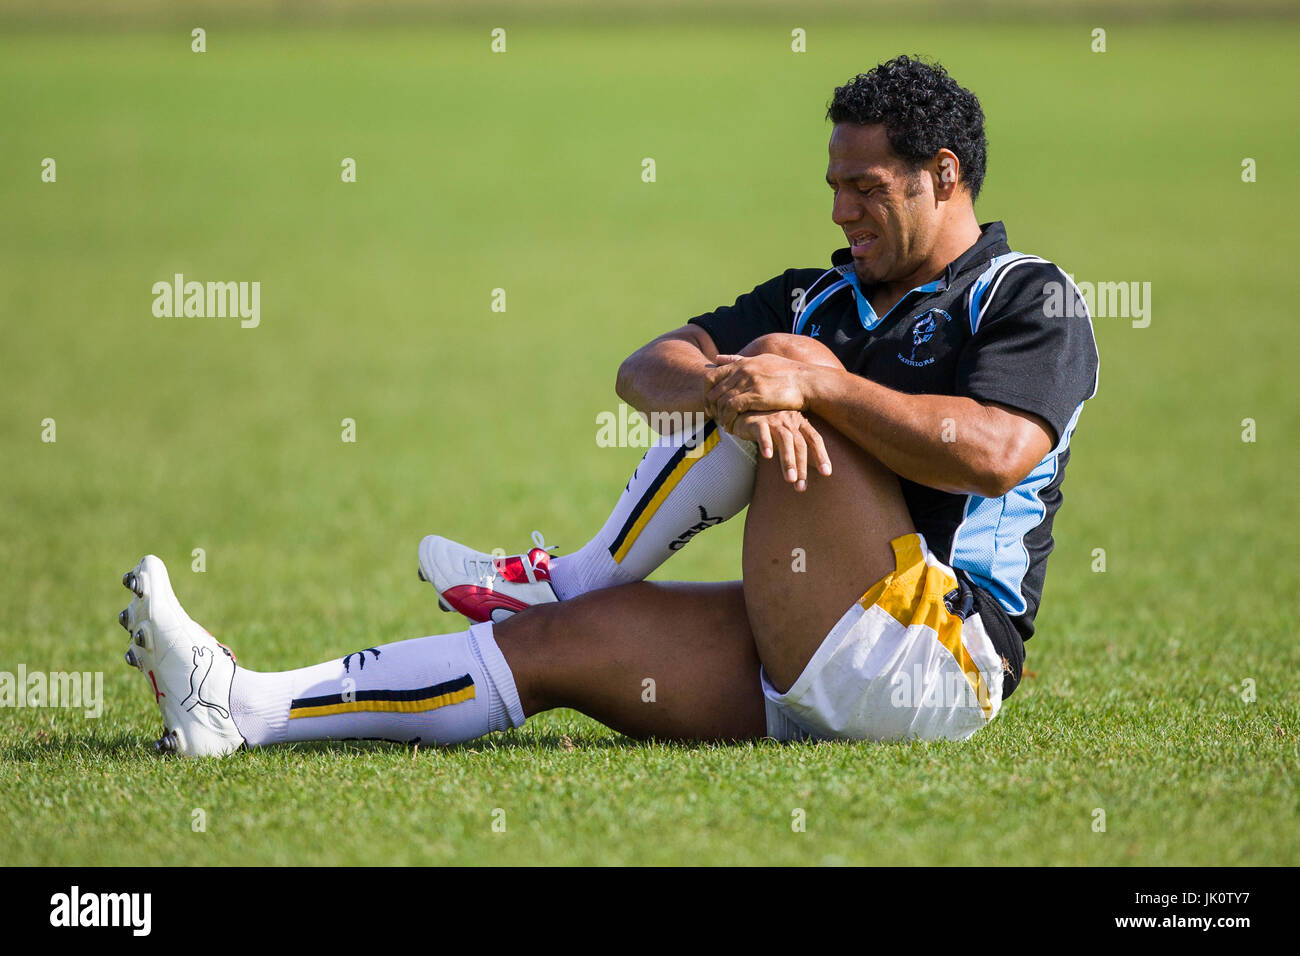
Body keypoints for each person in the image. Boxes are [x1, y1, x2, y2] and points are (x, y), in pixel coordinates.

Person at [118, 56, 1098, 757]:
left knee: (782, 363)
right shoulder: (822, 290)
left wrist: (817, 383)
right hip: (808, 643)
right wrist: (720, 386)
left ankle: (573, 572)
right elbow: (645, 367)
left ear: (943, 175)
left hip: (937, 656)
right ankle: (242, 704)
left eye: (865, 188)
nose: (839, 209)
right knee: (546, 649)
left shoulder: (1024, 292)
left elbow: (998, 451)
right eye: (832, 185)